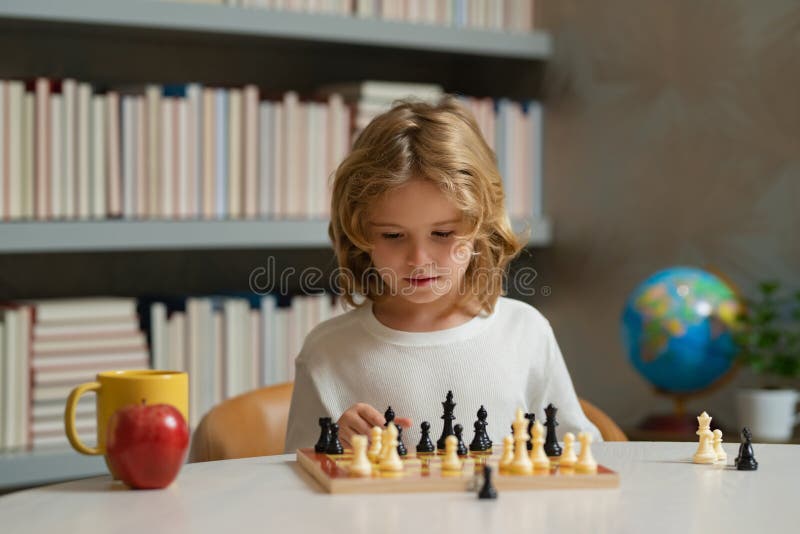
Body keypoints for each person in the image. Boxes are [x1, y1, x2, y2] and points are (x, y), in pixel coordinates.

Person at [284, 97, 600, 451]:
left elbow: (583, 452)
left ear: (482, 228)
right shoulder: (327, 352)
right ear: (360, 236)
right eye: (393, 235)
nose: (419, 259)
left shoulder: (525, 332)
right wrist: (335, 443)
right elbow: (295, 479)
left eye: (443, 234)